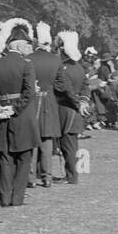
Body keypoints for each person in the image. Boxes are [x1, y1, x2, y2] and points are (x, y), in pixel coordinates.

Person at [0, 18, 39, 207]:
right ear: (18, 44)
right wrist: (15, 109)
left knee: (6, 158)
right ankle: (17, 198)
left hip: (1, 114)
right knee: (24, 158)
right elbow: (29, 92)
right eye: (27, 44)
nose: (28, 48)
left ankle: (5, 197)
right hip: (22, 116)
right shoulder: (27, 65)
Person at [29, 22, 63, 185]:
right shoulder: (56, 60)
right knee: (47, 140)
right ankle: (47, 177)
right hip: (49, 100)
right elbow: (61, 85)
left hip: (33, 100)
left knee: (31, 140)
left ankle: (31, 178)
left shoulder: (28, 59)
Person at [53, 31, 88, 184]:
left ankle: (71, 175)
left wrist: (78, 103)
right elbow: (86, 87)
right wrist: (84, 101)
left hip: (66, 109)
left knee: (67, 144)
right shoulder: (79, 67)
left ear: (61, 49)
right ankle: (72, 175)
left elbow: (67, 90)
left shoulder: (63, 67)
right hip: (75, 108)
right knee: (71, 143)